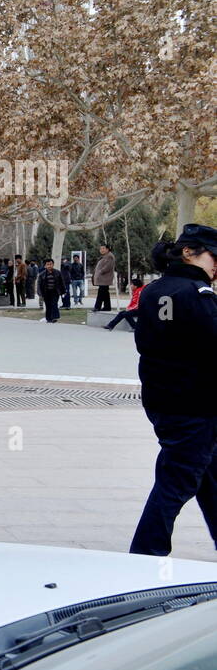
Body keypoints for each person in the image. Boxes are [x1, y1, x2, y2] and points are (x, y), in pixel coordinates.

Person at [127, 225, 217, 556]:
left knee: (209, 477)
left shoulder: (155, 292)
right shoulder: (197, 295)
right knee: (175, 483)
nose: (215, 266)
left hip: (164, 401)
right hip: (197, 406)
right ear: (188, 253)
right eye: (213, 257)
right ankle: (145, 555)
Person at [35, 258, 66, 323]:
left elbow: (62, 282)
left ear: (53, 265)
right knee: (48, 305)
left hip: (55, 291)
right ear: (45, 265)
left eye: (51, 264)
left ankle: (54, 317)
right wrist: (40, 293)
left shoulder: (58, 272)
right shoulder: (42, 274)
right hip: (46, 292)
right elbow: (39, 284)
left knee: (54, 304)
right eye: (48, 264)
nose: (49, 266)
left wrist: (63, 291)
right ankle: (48, 318)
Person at [93, 244, 116, 311]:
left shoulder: (109, 256)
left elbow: (108, 266)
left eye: (103, 248)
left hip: (105, 278)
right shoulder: (105, 256)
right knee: (105, 294)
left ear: (107, 249)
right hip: (103, 278)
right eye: (100, 249)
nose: (101, 250)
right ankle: (107, 307)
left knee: (101, 293)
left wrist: (101, 271)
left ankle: (97, 307)